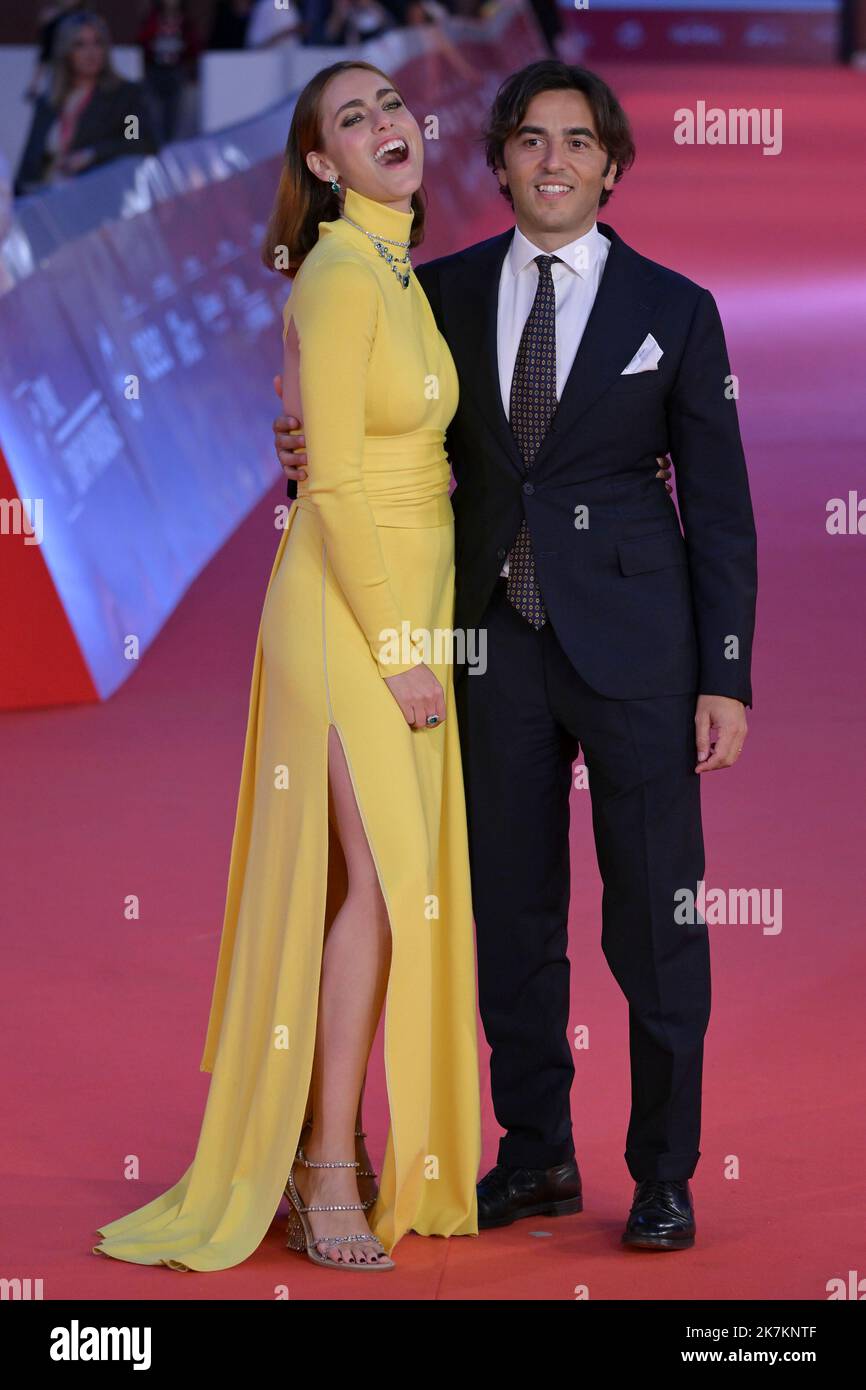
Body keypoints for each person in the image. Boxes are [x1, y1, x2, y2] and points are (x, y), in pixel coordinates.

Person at [274, 59, 758, 1252]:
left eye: (577, 142)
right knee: (509, 919)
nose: (553, 161)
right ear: (495, 165)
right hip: (485, 647)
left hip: (640, 654)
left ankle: (661, 1173)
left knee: (654, 923)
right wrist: (292, 437)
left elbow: (723, 507)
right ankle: (533, 1154)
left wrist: (725, 673)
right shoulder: (428, 291)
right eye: (530, 142)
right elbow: (357, 416)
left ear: (610, 165)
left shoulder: (675, 309)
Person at [91, 59, 481, 1273]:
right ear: (319, 165)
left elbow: (362, 430)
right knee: (375, 888)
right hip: (348, 614)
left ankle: (337, 1146)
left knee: (358, 888)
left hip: (401, 593)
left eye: (389, 106)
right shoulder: (332, 270)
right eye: (348, 119)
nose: (382, 125)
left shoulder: (392, 270)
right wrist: (397, 651)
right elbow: (335, 482)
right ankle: (319, 1167)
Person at [14, 12, 158, 196]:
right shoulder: (48, 103)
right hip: (46, 202)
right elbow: (28, 165)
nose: (91, 53)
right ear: (65, 52)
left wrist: (92, 154)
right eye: (79, 45)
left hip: (97, 199)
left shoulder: (126, 97)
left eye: (97, 43)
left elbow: (136, 141)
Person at [137, 0, 200, 146]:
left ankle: (170, 146)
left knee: (176, 114)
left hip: (176, 71)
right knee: (152, 113)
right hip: (154, 71)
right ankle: (155, 146)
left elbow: (195, 46)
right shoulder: (152, 19)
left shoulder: (186, 21)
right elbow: (141, 41)